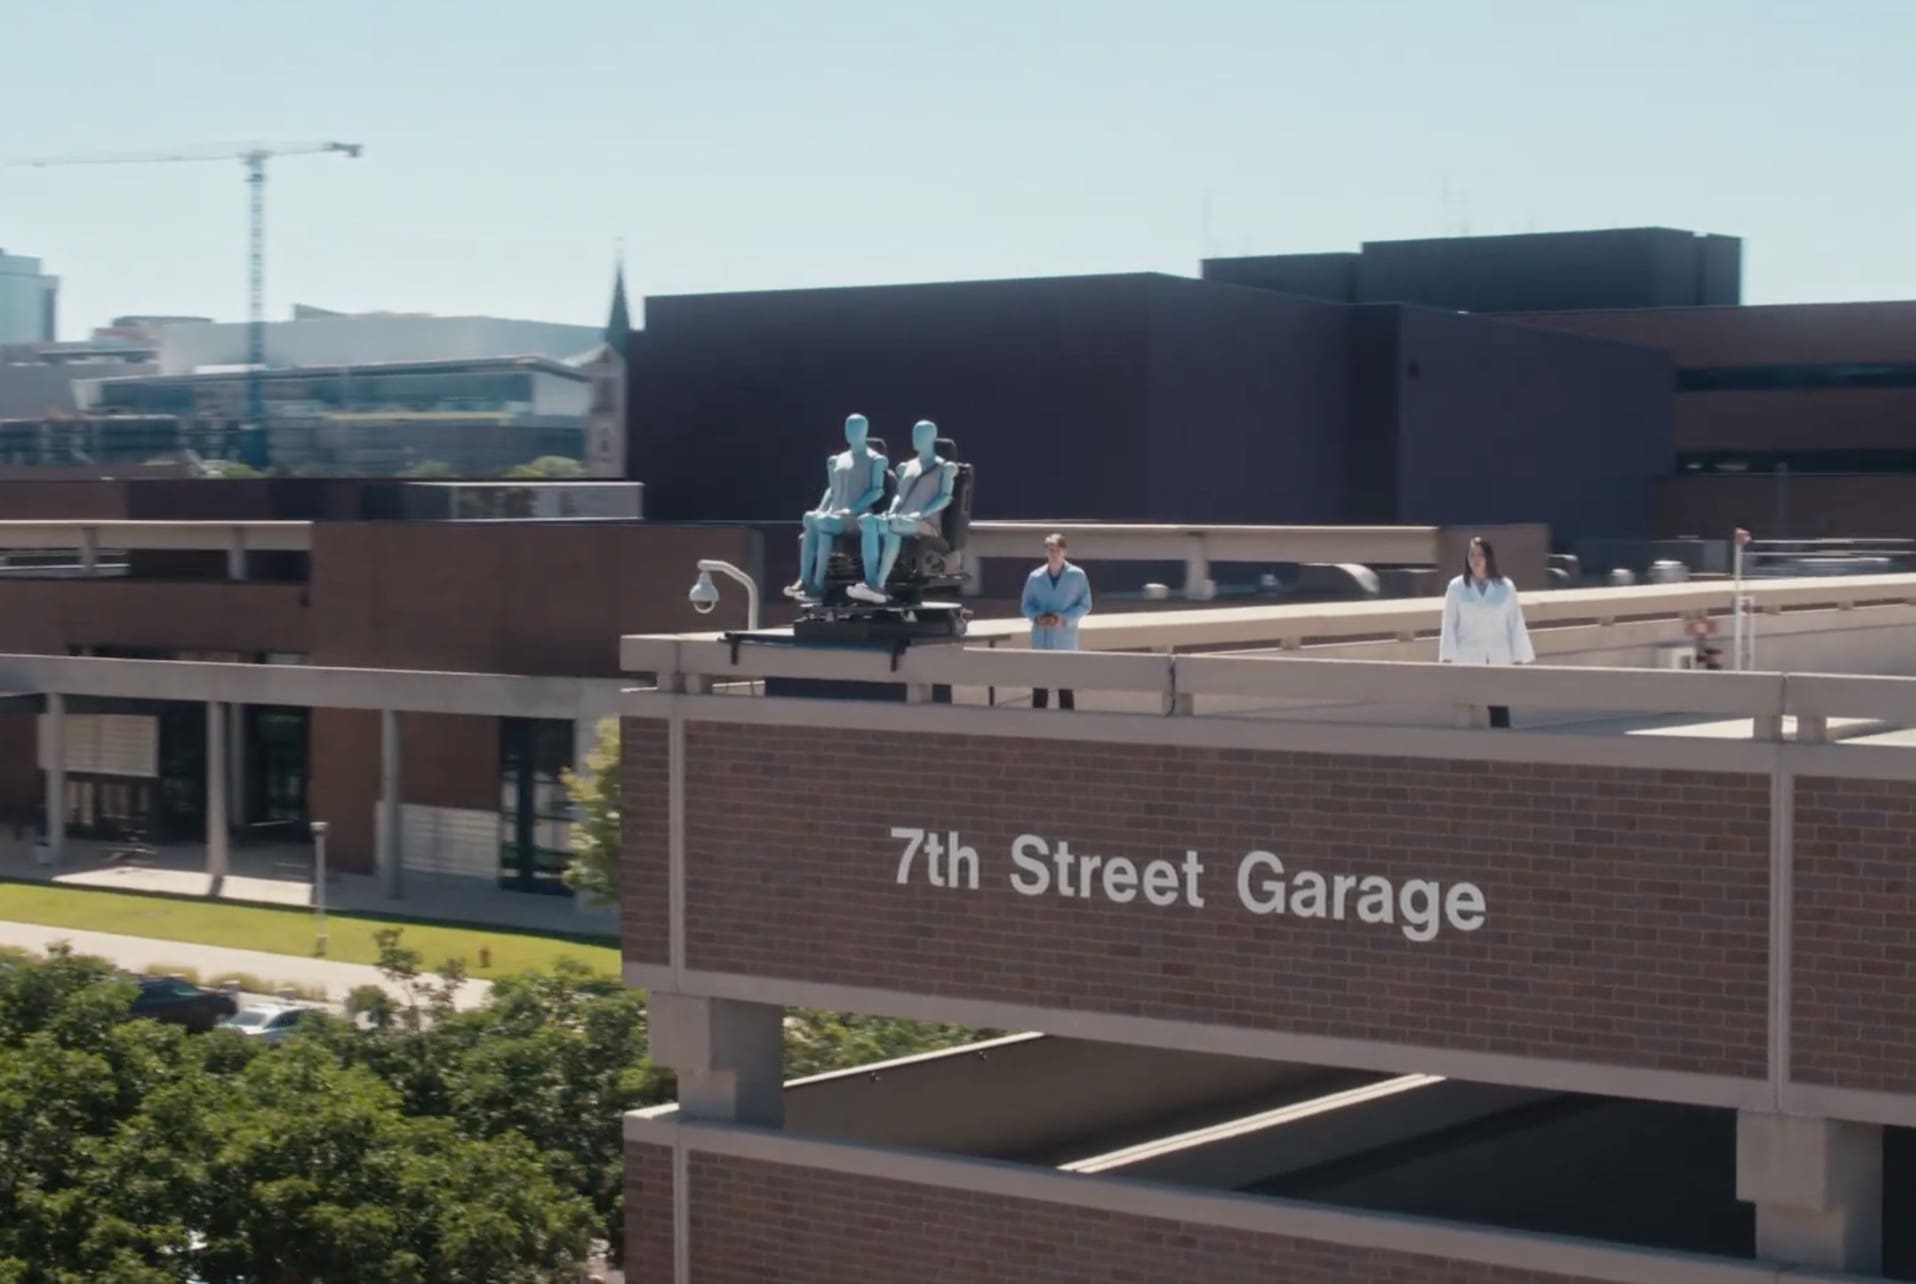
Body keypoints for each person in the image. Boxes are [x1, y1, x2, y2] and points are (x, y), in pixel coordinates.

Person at [847, 419, 955, 603]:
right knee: (867, 521)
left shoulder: (945, 467)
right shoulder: (906, 466)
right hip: (902, 519)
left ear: (932, 438)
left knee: (894, 526)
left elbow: (945, 497)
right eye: (914, 433)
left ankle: (879, 584)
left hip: (926, 524)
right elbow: (900, 496)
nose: (916, 438)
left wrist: (922, 513)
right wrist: (892, 509)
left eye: (921, 434)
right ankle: (871, 582)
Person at [783, 413, 888, 602]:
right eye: (848, 427)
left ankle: (817, 585)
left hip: (858, 517)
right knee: (812, 520)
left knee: (824, 524)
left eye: (856, 428)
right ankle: (805, 580)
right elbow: (832, 490)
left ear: (865, 431)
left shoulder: (875, 460)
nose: (851, 432)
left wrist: (853, 509)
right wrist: (820, 510)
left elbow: (877, 491)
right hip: (835, 515)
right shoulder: (837, 460)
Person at [1438, 536, 1534, 728]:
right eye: (1471, 554)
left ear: (1489, 558)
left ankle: (1502, 751)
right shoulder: (1456, 587)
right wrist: (1447, 658)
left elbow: (1515, 623)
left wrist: (1518, 657)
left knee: (1499, 708)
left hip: (1498, 657)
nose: (1475, 559)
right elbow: (1449, 623)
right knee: (1465, 708)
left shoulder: (1505, 587)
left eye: (1480, 554)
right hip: (1467, 656)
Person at [1022, 533, 1092, 709]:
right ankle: (1038, 727)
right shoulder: (1035, 576)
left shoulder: (1077, 575)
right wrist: (1037, 617)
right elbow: (1026, 605)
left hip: (1065, 638)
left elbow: (1085, 605)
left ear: (1064, 552)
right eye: (1050, 550)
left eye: (1057, 550)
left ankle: (1067, 730)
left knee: (1065, 689)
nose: (1053, 554)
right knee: (1039, 690)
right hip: (1041, 637)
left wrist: (1065, 619)